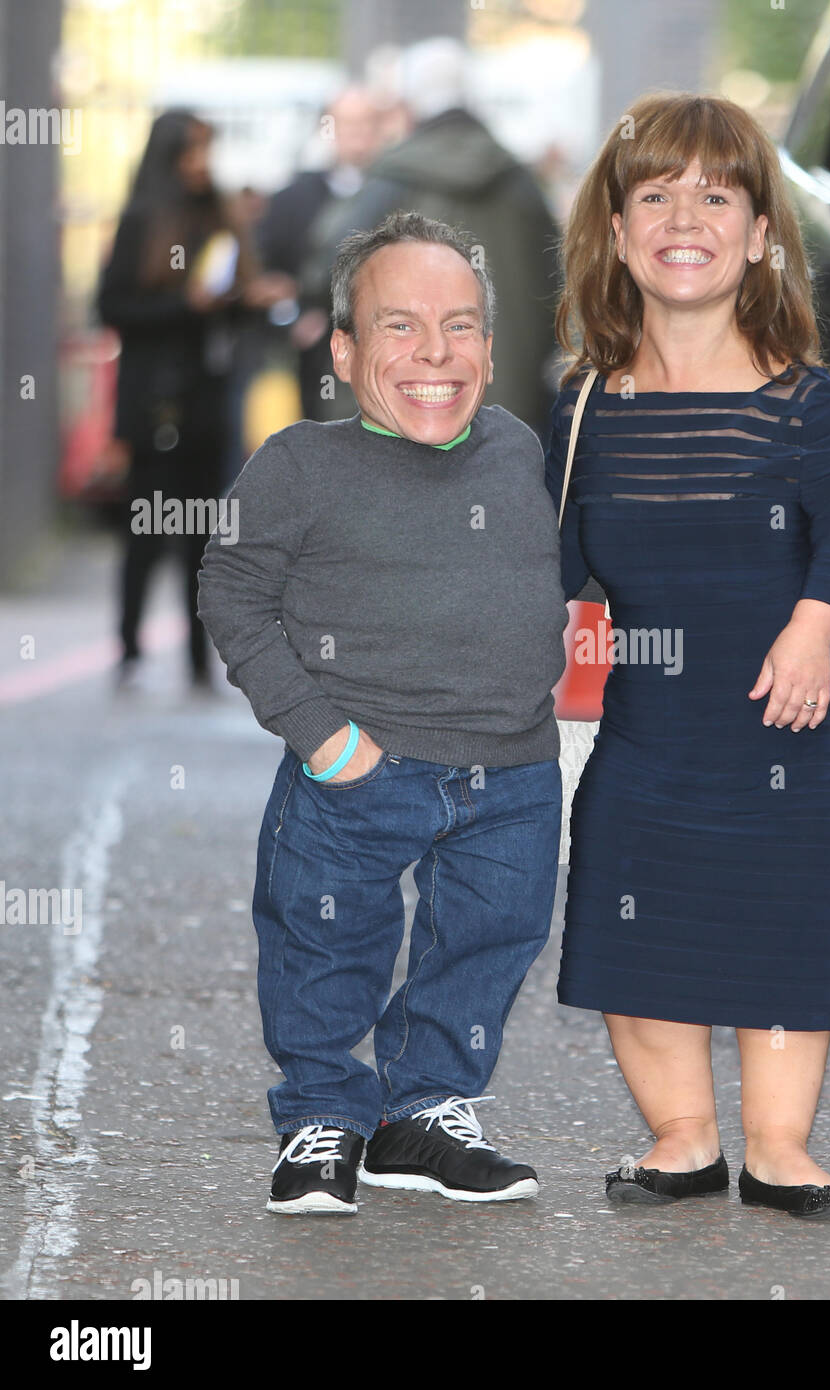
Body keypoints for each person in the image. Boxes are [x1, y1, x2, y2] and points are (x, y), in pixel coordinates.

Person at [545, 94, 830, 1220]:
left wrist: (813, 625)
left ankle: (780, 1147)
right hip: (649, 742)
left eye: (714, 194)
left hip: (785, 737)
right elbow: (545, 566)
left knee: (785, 924)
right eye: (653, 193)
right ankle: (681, 1138)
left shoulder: (808, 406)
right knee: (633, 923)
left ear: (758, 235)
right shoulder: (586, 406)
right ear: (614, 230)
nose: (682, 215)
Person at [197, 211, 569, 1215]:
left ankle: (423, 1112)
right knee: (325, 941)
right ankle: (322, 1113)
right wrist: (319, 734)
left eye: (459, 327)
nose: (434, 353)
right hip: (354, 763)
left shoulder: (519, 451)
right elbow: (230, 591)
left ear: (490, 349)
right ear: (346, 348)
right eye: (398, 327)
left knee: (488, 939)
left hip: (511, 770)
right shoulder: (297, 465)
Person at [299, 38, 561, 442]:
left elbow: (326, 269)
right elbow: (560, 284)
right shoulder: (521, 183)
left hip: (406, 405)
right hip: (511, 412)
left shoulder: (391, 180)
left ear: (409, 103)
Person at [97, 109, 258, 688]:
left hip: (205, 398)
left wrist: (245, 298)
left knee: (202, 534)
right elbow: (111, 306)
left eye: (204, 153)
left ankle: (196, 661)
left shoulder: (217, 214)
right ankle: (129, 650)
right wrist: (182, 307)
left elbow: (229, 296)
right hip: (152, 401)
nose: (200, 166)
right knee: (144, 530)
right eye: (190, 154)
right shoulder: (141, 219)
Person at [255, 87, 384, 422]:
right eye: (347, 124)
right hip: (316, 365)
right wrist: (292, 318)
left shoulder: (398, 193)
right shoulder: (293, 199)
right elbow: (269, 276)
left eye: (367, 124)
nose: (358, 136)